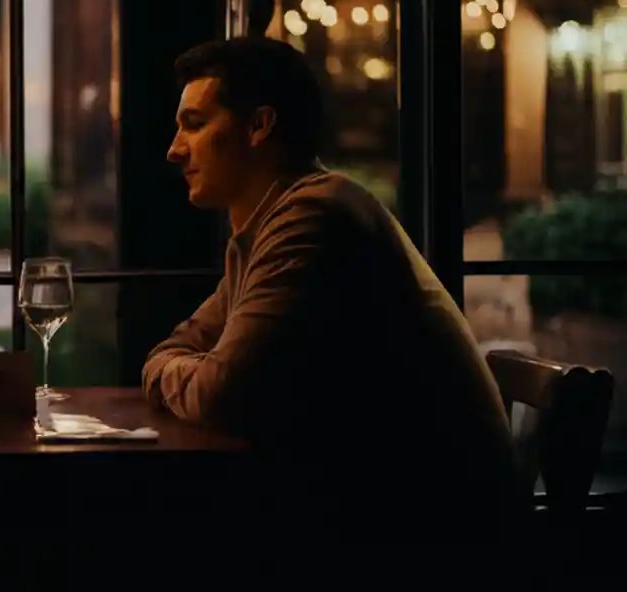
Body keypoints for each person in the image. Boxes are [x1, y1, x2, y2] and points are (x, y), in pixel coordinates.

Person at [142, 37, 519, 537]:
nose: (174, 150)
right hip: (389, 507)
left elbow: (220, 394)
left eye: (194, 124)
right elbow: (178, 350)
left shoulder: (312, 218)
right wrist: (180, 368)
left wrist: (169, 374)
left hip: (440, 534)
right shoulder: (271, 224)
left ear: (259, 126)